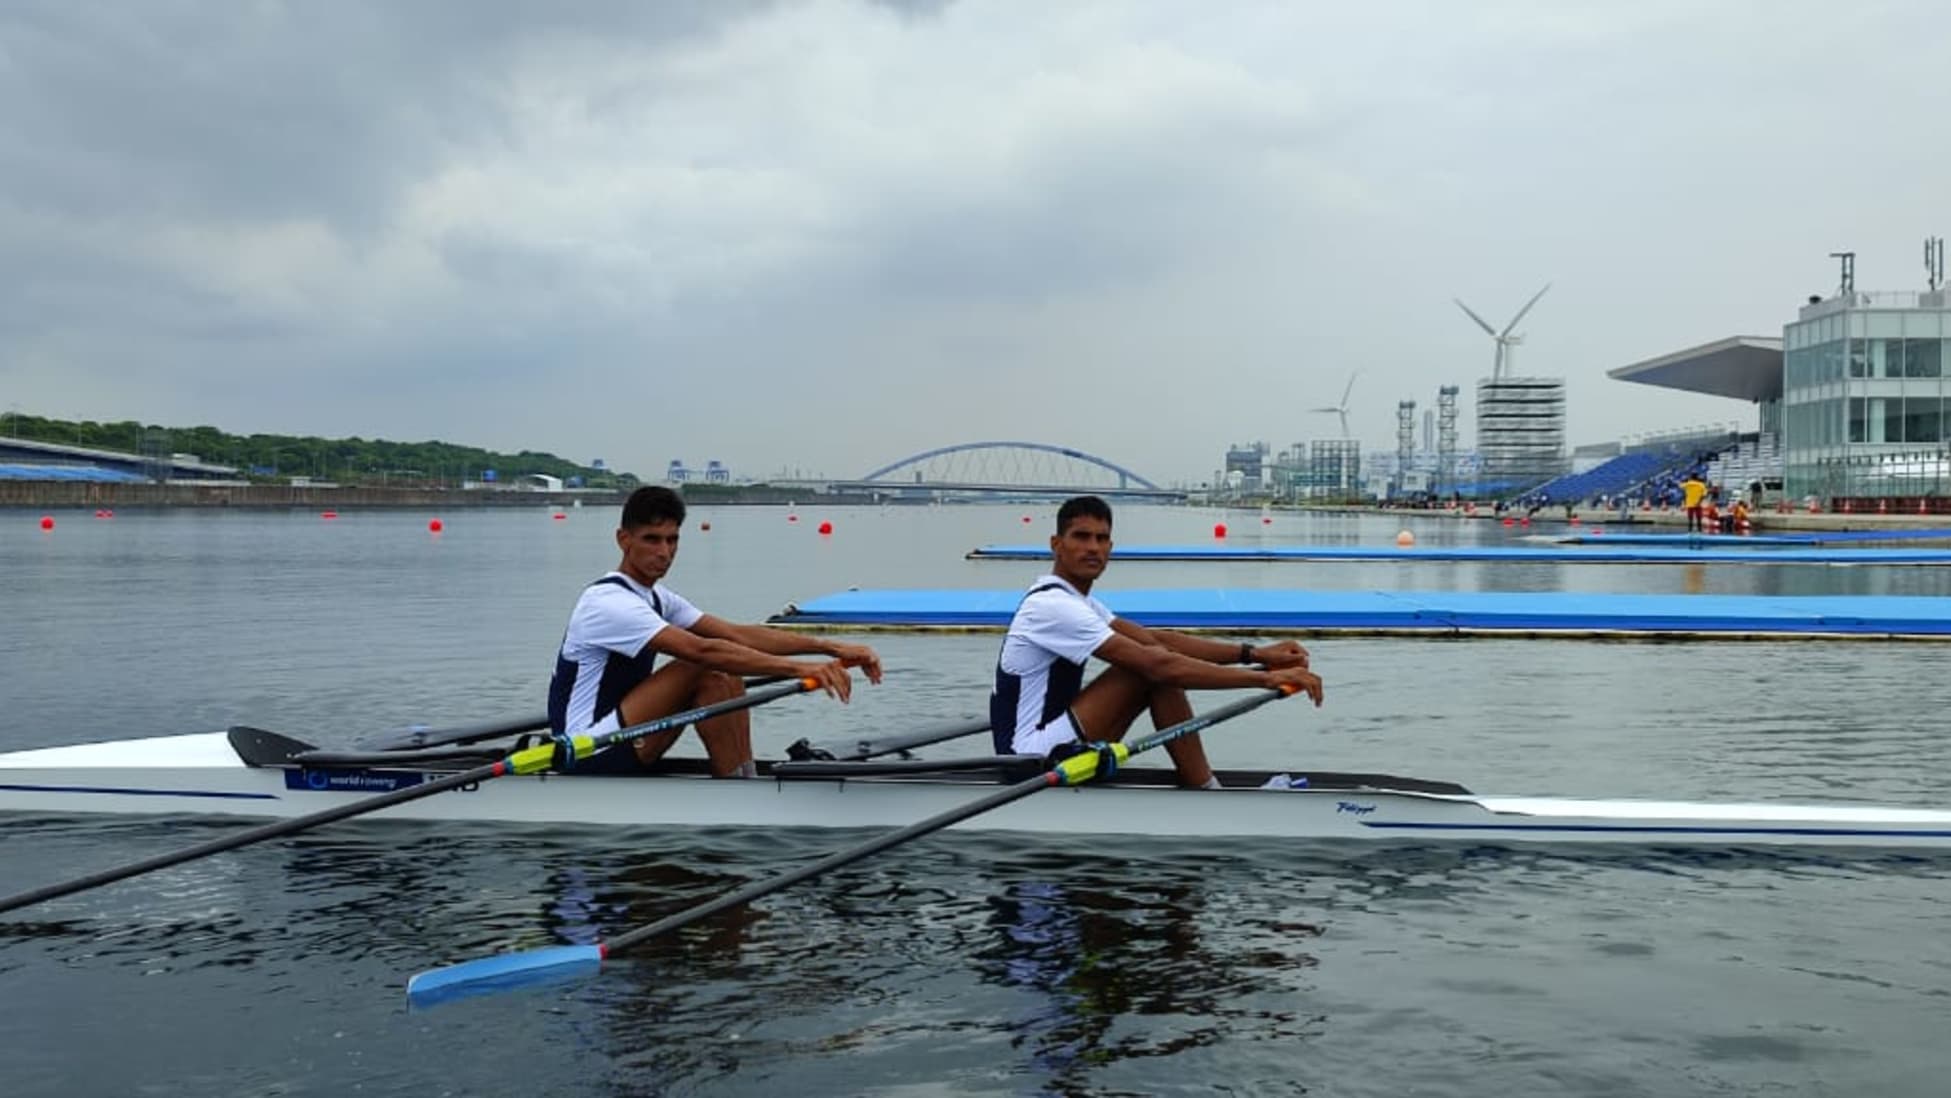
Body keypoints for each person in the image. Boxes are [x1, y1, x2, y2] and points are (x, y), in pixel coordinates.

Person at [989, 495, 1324, 789]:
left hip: (1055, 743)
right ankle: (1206, 792)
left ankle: (1205, 789)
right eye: (1081, 537)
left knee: (1156, 660)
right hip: (1029, 762)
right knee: (1151, 670)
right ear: (1056, 544)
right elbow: (1158, 663)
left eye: (1102, 538)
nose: (1093, 547)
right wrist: (1267, 678)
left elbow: (1157, 640)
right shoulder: (1052, 606)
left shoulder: (1079, 602)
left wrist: (1254, 653)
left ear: (1111, 548)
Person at [548, 486, 882, 777]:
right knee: (706, 662)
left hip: (627, 737)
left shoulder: (657, 598)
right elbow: (702, 650)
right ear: (624, 540)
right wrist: (801, 669)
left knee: (720, 672)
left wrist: (831, 649)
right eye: (652, 539)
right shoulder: (606, 603)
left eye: (672, 539)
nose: (664, 552)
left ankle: (741, 781)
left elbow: (738, 635)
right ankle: (741, 797)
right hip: (585, 750)